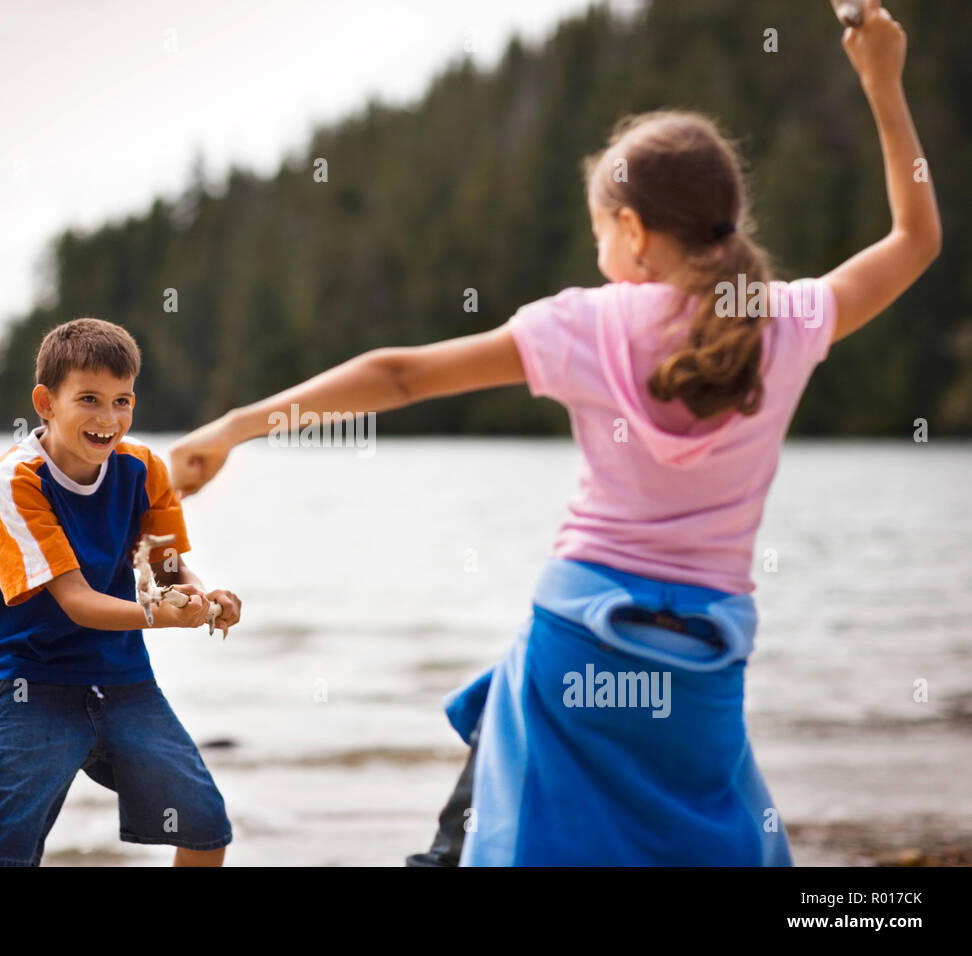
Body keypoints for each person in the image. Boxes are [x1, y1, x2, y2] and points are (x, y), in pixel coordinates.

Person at [167, 2, 939, 865]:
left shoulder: (583, 325)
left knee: (513, 769)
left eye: (601, 227)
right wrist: (883, 83)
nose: (599, 246)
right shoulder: (788, 319)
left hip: (576, 636)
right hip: (704, 665)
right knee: (665, 815)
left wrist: (237, 427)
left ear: (636, 233)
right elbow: (915, 238)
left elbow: (400, 374)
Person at [0, 318, 243, 867]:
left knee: (205, 824)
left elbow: (166, 571)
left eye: (122, 401)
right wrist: (161, 616)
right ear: (46, 401)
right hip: (32, 680)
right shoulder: (19, 479)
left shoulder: (142, 468)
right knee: (5, 851)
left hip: (122, 678)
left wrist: (207, 601)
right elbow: (77, 602)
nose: (108, 418)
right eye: (88, 399)